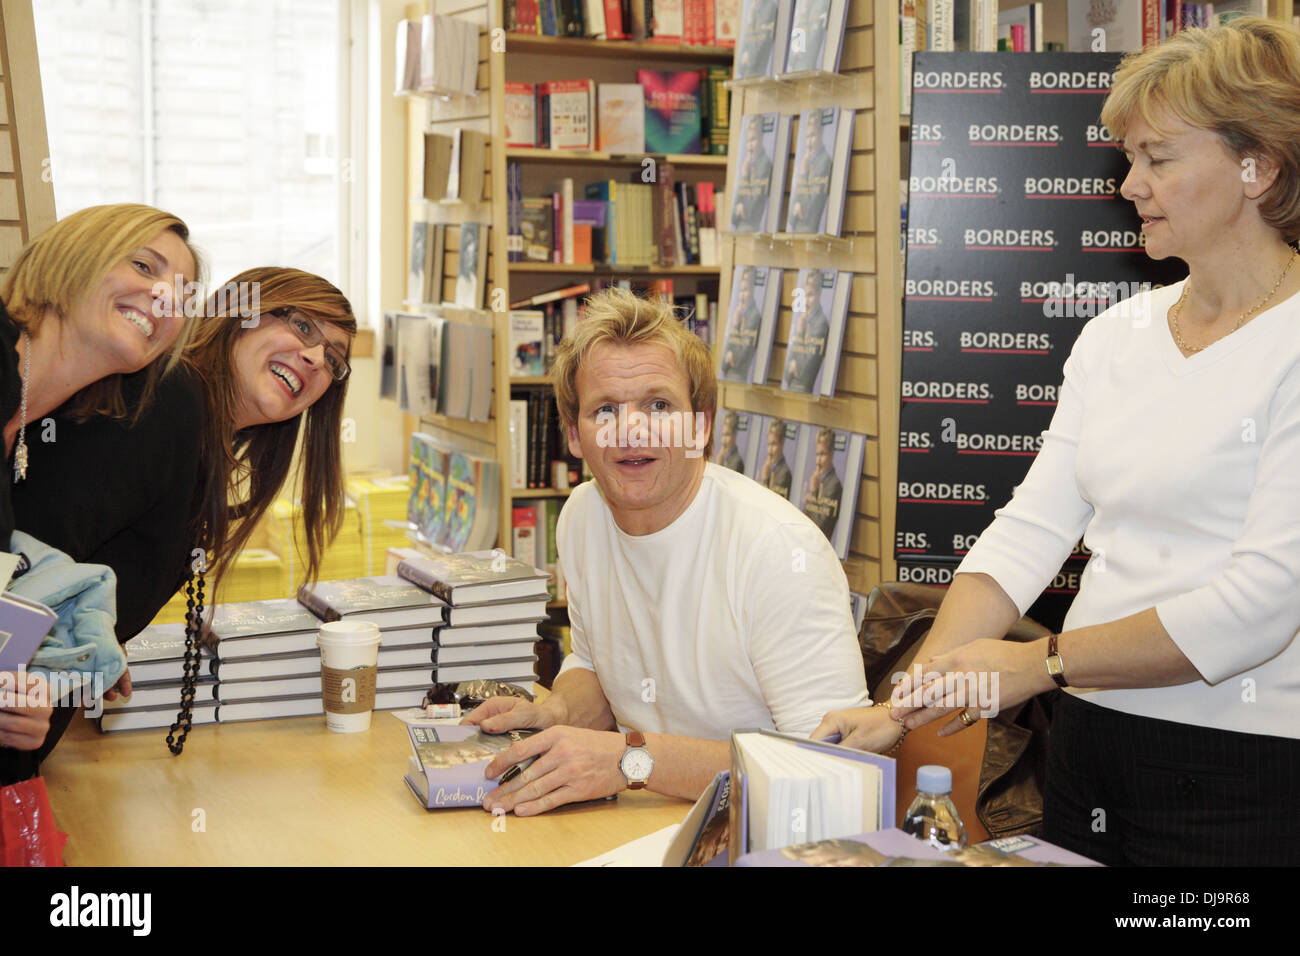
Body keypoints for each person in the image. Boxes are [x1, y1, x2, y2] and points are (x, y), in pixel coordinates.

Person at [815, 19, 1300, 865]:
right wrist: (903, 707)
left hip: (1244, 775)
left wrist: (1041, 665)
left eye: (1159, 157)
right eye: (1129, 157)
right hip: (1088, 755)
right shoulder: (1117, 335)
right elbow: (1027, 531)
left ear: (1257, 166)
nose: (1131, 183)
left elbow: (1257, 605)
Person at [463, 288, 897, 815]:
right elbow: (599, 665)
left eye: (659, 405)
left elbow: (832, 771)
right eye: (606, 409)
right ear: (574, 436)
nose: (632, 429)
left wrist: (631, 762)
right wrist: (557, 714)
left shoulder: (776, 549)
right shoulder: (582, 517)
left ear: (702, 425)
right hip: (641, 828)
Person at [15, 267, 355, 759]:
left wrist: (95, 631)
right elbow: (25, 561)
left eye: (335, 360)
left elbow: (73, 564)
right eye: (302, 326)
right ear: (241, 313)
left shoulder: (200, 442)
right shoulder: (169, 401)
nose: (315, 358)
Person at [0, 202, 199, 784]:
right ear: (73, 258)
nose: (164, 297)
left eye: (182, 297)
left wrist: (20, 702)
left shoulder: (25, 430)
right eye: (143, 265)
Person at [786, 111, 834, 234]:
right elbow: (791, 218)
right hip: (796, 232)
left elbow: (809, 211)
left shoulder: (825, 162)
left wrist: (803, 174)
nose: (808, 143)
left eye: (813, 136)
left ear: (821, 133)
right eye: (807, 137)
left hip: (810, 232)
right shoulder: (805, 161)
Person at [783, 270, 831, 392]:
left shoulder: (821, 323)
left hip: (803, 390)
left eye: (810, 295)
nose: (805, 301)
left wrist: (799, 333)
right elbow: (786, 375)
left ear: (819, 294)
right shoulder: (801, 320)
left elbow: (803, 370)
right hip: (791, 388)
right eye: (803, 295)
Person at [730, 118, 774, 233]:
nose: (749, 146)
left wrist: (744, 176)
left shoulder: (765, 164)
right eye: (748, 141)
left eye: (753, 140)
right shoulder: (747, 164)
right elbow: (733, 218)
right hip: (740, 231)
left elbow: (750, 211)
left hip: (752, 231)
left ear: (761, 138)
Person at [721, 266, 762, 381]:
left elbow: (739, 360)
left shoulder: (755, 316)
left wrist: (730, 357)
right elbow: (723, 365)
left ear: (753, 290)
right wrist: (735, 325)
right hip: (729, 375)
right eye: (740, 291)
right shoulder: (737, 315)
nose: (742, 296)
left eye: (746, 290)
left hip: (740, 377)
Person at [802, 426, 841, 540]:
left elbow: (820, 527)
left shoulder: (834, 485)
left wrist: (813, 492)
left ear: (831, 454)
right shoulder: (817, 479)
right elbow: (804, 518)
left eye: (823, 454)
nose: (818, 461)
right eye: (817, 454)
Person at [759, 417, 793, 499]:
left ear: (782, 443)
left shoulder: (785, 473)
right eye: (769, 444)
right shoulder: (768, 467)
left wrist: (764, 480)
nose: (769, 450)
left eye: (774, 444)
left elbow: (769, 501)